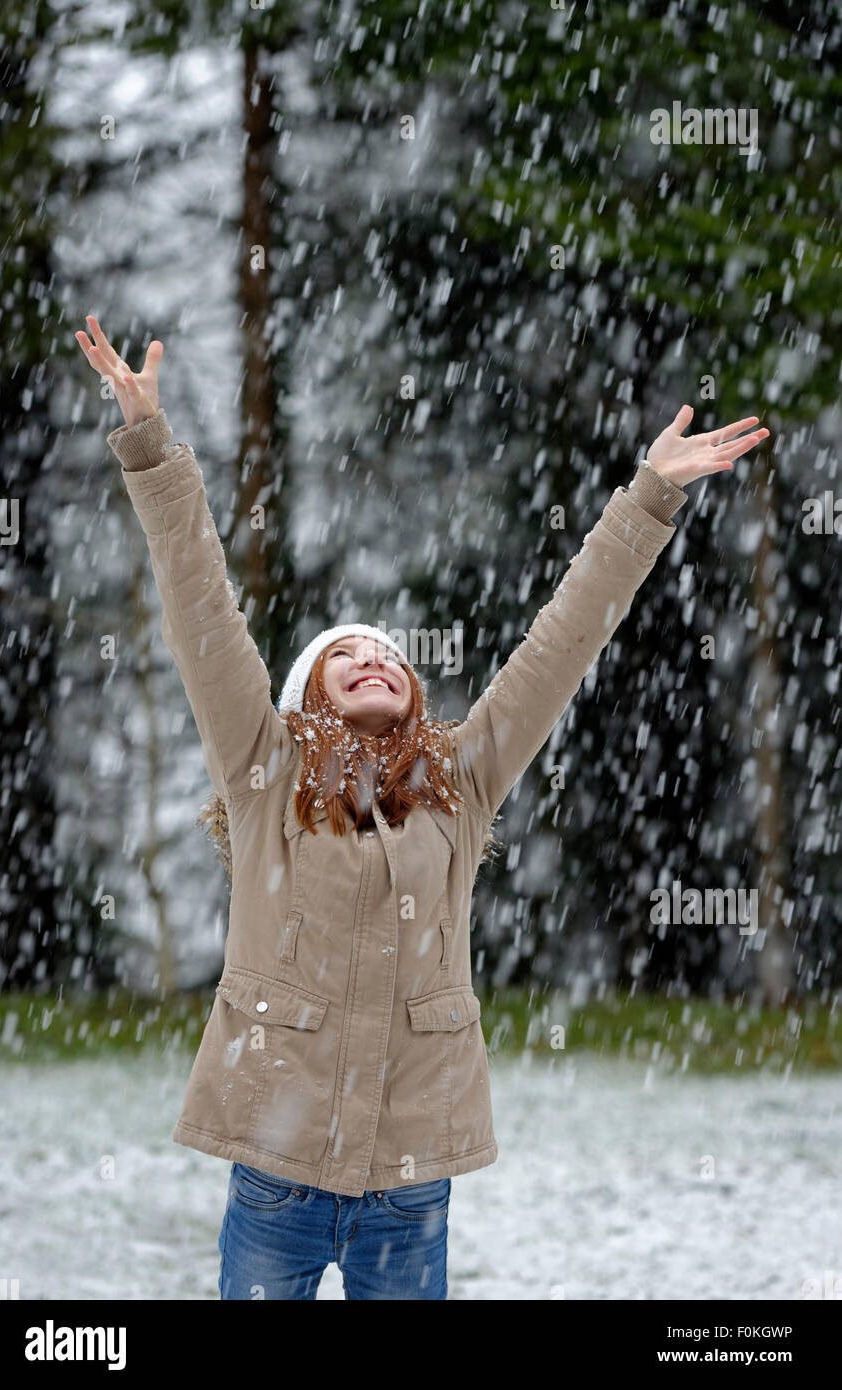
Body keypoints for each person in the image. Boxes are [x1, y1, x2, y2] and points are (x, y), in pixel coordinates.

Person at [75, 315, 769, 1300]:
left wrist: (648, 498)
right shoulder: (264, 771)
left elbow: (562, 642)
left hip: (411, 1179)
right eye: (344, 657)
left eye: (388, 655)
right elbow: (200, 604)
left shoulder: (460, 781)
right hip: (276, 1164)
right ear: (306, 699)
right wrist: (150, 444)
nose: (372, 659)